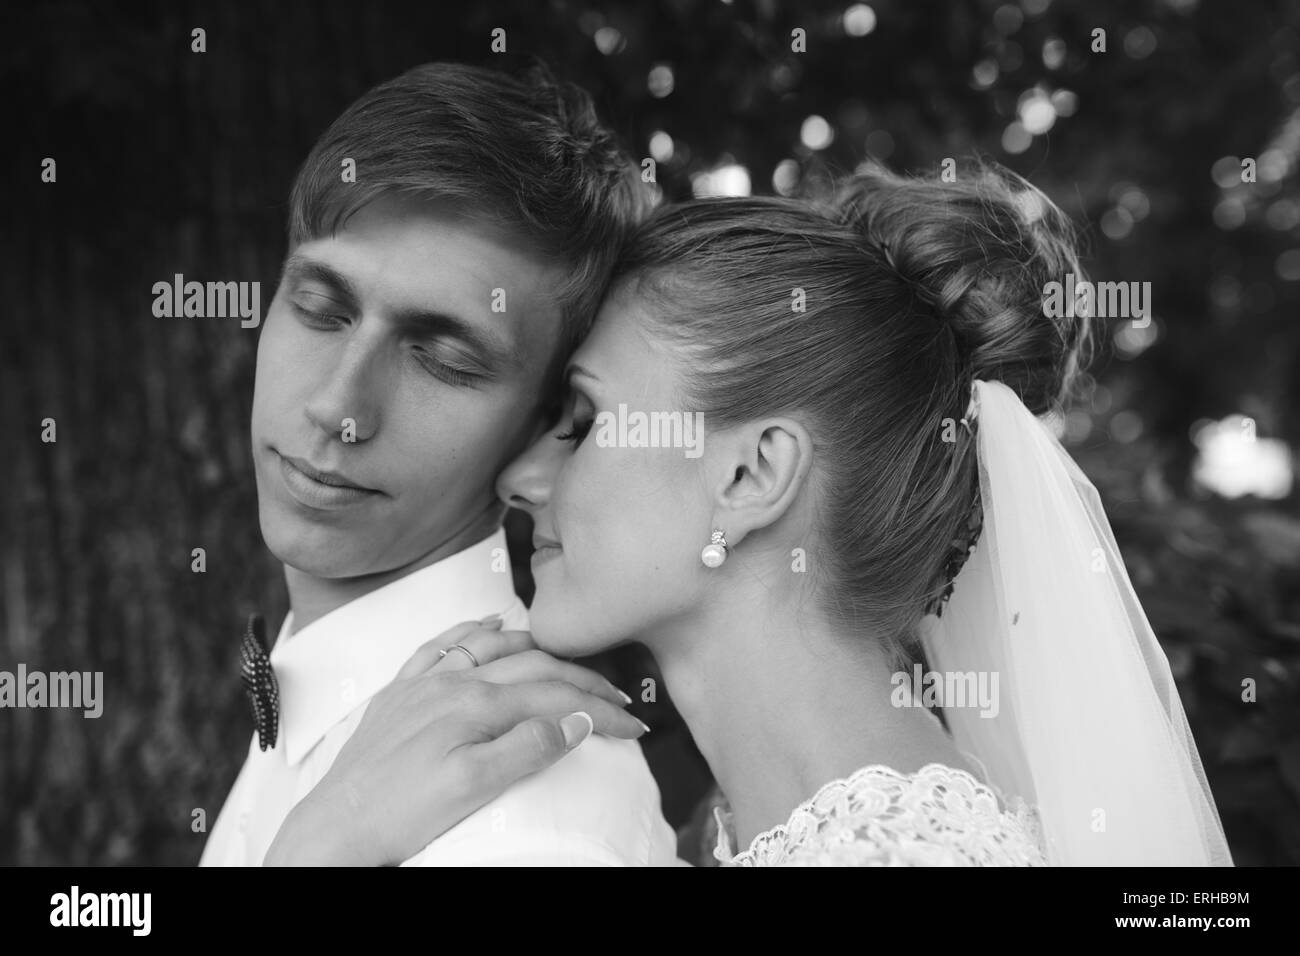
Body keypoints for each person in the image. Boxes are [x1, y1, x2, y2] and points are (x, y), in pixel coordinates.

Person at [272, 161, 1234, 866]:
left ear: (752, 476)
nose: (519, 475)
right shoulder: (767, 835)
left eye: (584, 419)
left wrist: (316, 851)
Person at [200, 61, 679, 867]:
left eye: (445, 362)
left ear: (545, 425)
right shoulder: (322, 706)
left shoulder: (529, 823)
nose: (337, 407)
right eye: (321, 309)